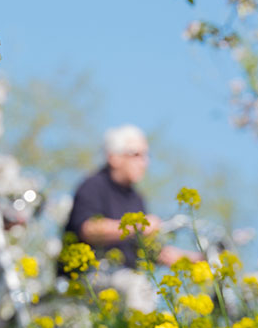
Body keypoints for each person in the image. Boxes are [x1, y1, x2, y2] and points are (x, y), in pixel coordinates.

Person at [59, 124, 201, 312]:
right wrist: (138, 226)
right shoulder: (93, 185)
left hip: (121, 278)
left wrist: (192, 259)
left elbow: (148, 249)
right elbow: (88, 229)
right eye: (137, 155)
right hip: (86, 278)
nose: (145, 162)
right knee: (140, 287)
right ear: (113, 157)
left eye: (147, 155)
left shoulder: (136, 199)